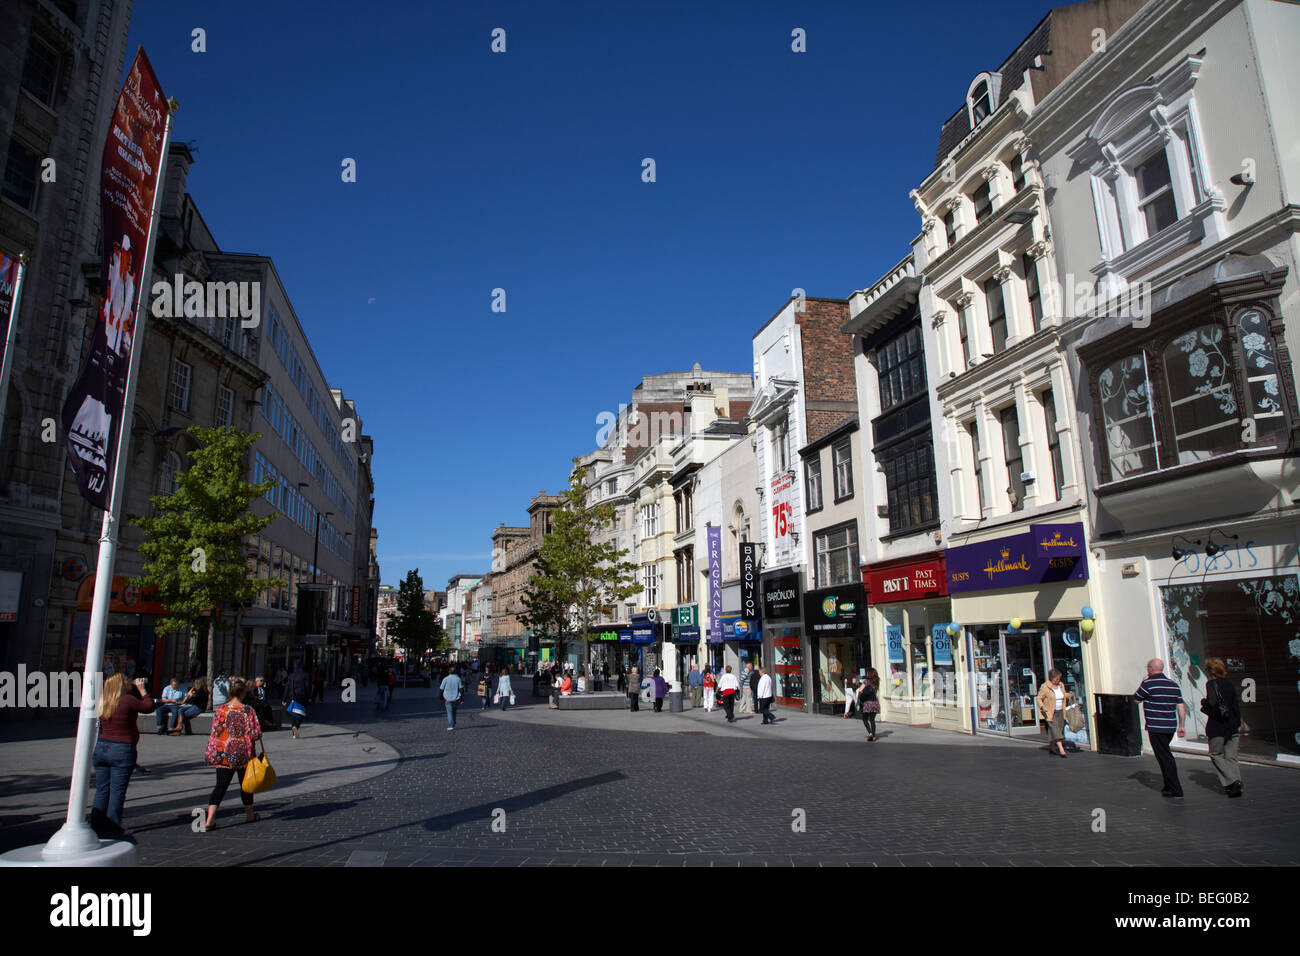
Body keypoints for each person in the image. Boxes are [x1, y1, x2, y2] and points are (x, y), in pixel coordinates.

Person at [91, 673, 156, 840]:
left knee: (102, 789)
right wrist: (143, 690)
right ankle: (112, 827)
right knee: (117, 791)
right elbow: (148, 706)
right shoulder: (127, 699)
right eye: (127, 681)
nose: (130, 682)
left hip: (101, 748)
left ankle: (96, 825)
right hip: (121, 749)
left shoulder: (103, 701)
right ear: (121, 685)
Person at [203, 677, 263, 830]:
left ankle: (210, 818)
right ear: (243, 693)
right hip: (243, 753)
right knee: (246, 785)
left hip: (224, 752)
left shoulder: (221, 710)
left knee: (220, 786)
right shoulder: (248, 710)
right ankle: (250, 815)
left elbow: (215, 732)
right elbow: (256, 733)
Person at [1135, 658, 1186, 798]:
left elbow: (1136, 699)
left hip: (1156, 726)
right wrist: (1181, 726)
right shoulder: (1173, 685)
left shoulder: (1149, 684)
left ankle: (1176, 788)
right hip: (1170, 726)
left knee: (1164, 757)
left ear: (1151, 669)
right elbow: (1181, 708)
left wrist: (1142, 682)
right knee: (1164, 754)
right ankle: (1168, 786)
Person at [1202, 657, 1244, 797]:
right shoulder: (1229, 684)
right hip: (1232, 724)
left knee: (1215, 753)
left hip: (1218, 725)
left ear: (1210, 671)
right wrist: (1238, 723)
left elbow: (1213, 705)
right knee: (1231, 756)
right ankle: (1237, 782)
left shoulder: (1211, 684)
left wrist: (1204, 703)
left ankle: (1232, 782)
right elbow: (1235, 705)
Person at [1036, 669, 1075, 758]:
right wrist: (1043, 707)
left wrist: (1069, 695)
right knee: (1056, 731)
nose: (1058, 681)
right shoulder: (1045, 687)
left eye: (1059, 679)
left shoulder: (1061, 685)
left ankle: (1052, 747)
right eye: (1056, 679)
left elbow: (1063, 695)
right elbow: (1039, 698)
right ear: (1051, 678)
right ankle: (1061, 749)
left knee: (1059, 729)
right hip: (1050, 712)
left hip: (1061, 711)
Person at [283, 662, 311, 739]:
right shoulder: (305, 675)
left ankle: (294, 729)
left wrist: (284, 699)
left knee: (295, 713)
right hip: (302, 698)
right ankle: (296, 726)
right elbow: (307, 687)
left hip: (293, 697)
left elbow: (287, 687)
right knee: (301, 714)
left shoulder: (291, 676)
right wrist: (309, 697)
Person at [858, 668, 881, 741]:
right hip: (875, 702)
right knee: (872, 720)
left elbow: (860, 690)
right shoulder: (876, 681)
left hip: (867, 703)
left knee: (865, 719)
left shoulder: (866, 681)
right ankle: (873, 735)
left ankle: (870, 733)